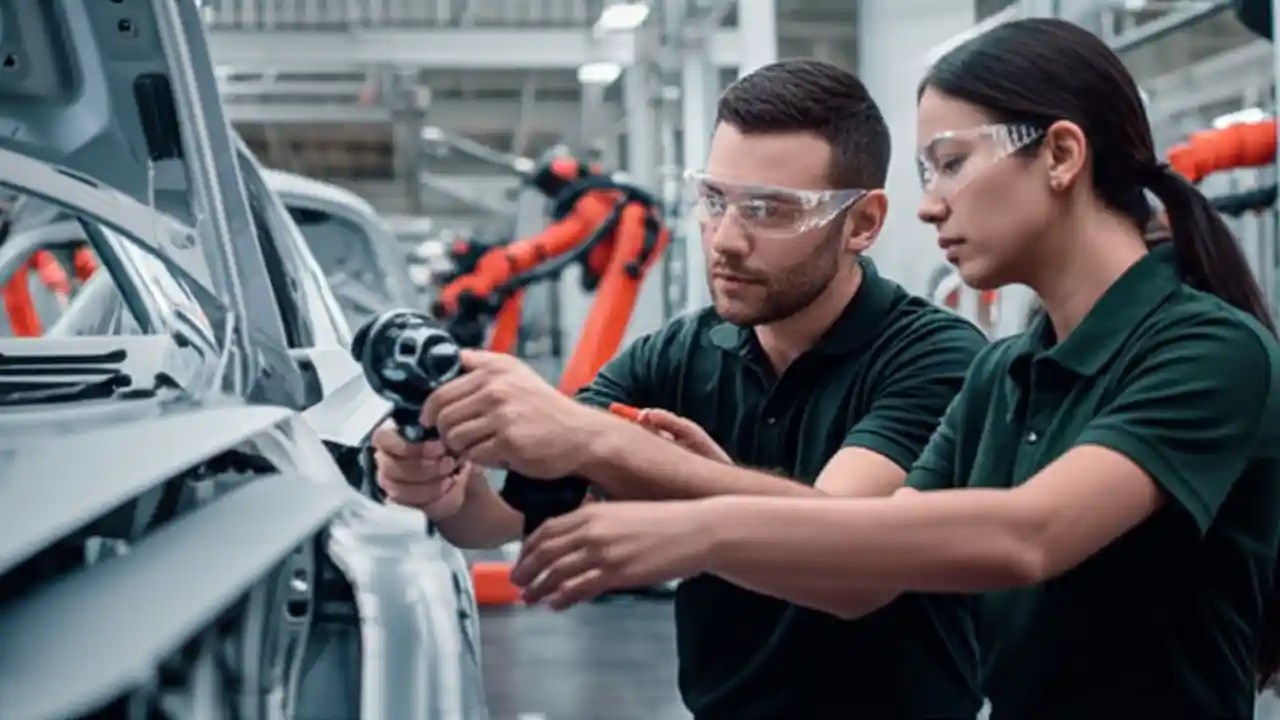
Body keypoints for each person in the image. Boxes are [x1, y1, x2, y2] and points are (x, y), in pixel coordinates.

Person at [503, 18, 1280, 719]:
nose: (929, 205)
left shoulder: (1206, 350)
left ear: (1062, 156)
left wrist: (696, 523)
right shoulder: (1007, 373)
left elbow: (1031, 535)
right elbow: (864, 564)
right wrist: (702, 493)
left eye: (950, 165)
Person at [374, 59, 988, 718]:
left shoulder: (938, 360)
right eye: (716, 200)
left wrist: (605, 444)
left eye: (768, 210)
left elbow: (848, 556)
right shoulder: (677, 355)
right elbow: (502, 517)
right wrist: (444, 481)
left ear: (861, 223)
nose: (725, 240)